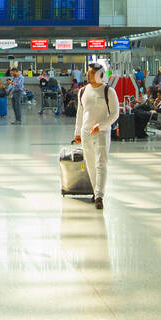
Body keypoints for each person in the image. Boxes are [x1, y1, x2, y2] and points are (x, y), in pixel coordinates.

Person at [71, 64, 121, 210]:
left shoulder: (109, 92)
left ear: (100, 74)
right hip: (86, 132)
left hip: (102, 133)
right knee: (90, 163)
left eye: (92, 73)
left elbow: (115, 114)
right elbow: (80, 113)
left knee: (101, 163)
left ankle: (99, 195)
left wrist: (102, 125)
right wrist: (77, 133)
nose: (88, 75)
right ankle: (95, 190)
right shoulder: (82, 91)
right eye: (88, 72)